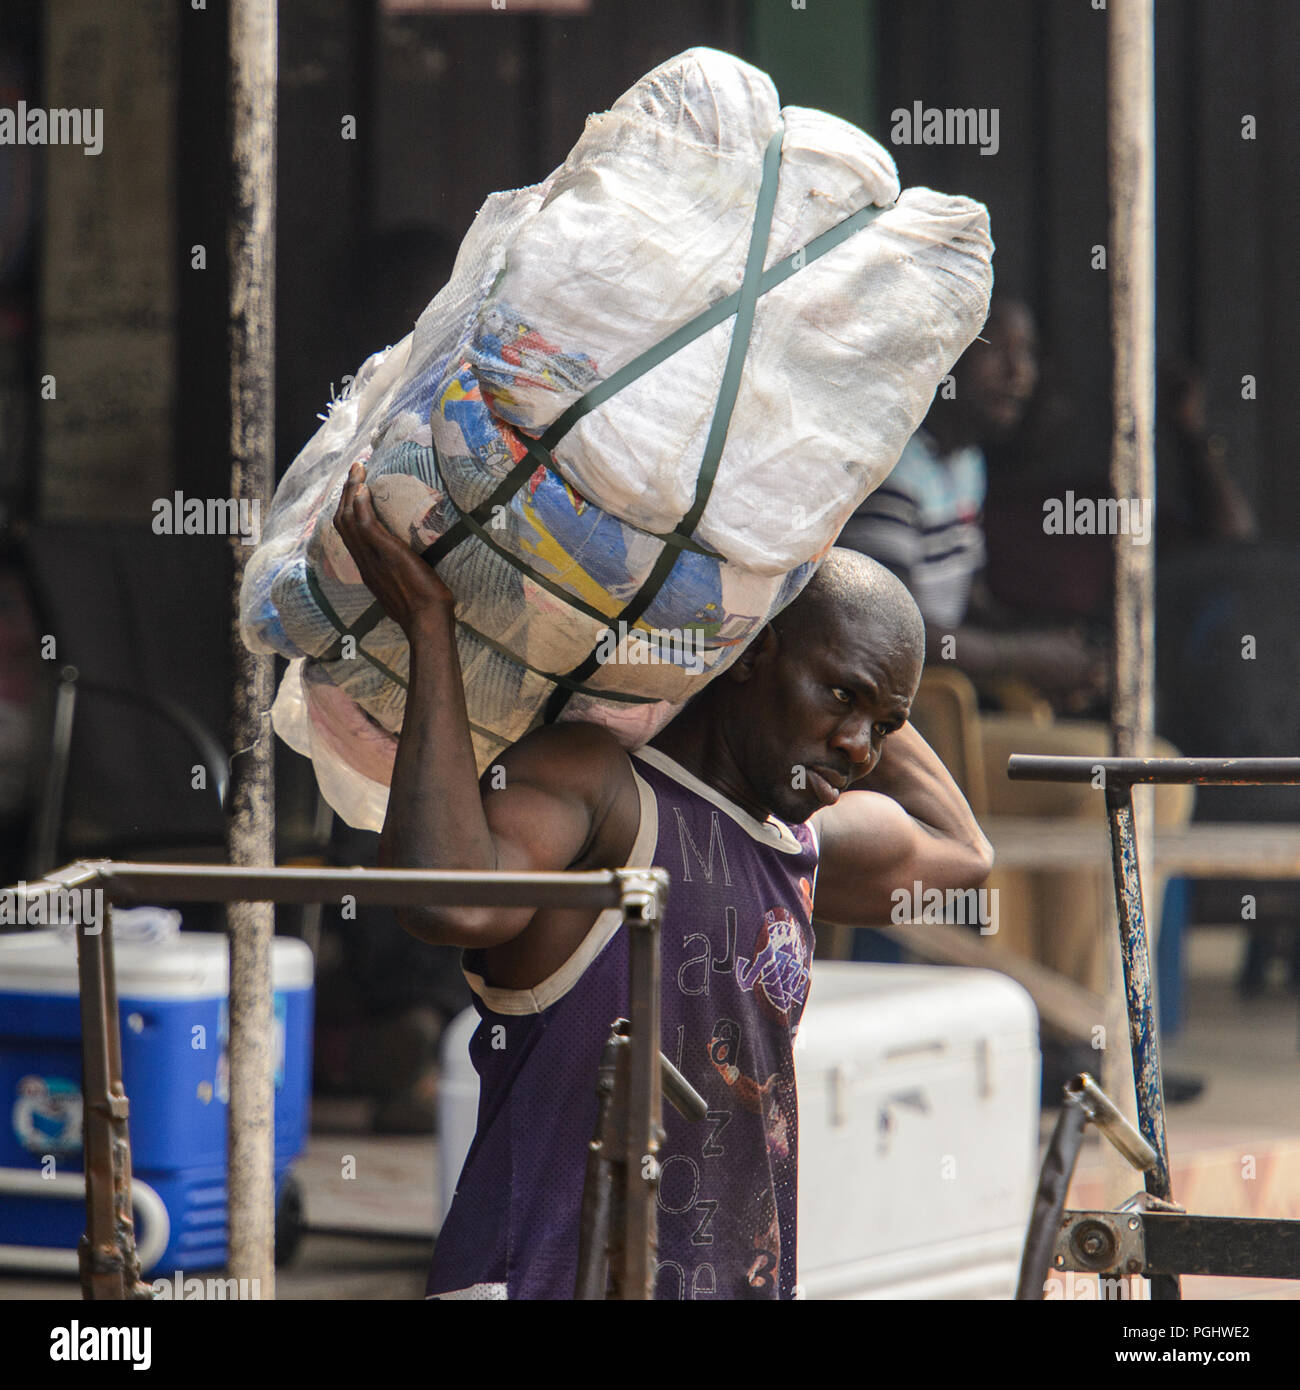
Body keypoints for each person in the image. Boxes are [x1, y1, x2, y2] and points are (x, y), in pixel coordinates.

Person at [333, 461, 993, 1300]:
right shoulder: (606, 793)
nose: (861, 747)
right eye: (839, 695)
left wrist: (807, 600)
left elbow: (962, 850)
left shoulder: (796, 845)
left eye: (884, 726)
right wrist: (431, 624)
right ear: (751, 654)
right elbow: (445, 897)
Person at [838, 294, 1106, 714]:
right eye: (997, 350)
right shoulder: (895, 471)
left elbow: (970, 598)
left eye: (1026, 353)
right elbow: (893, 631)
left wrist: (1055, 655)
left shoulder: (966, 462)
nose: (1018, 373)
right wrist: (1024, 655)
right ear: (945, 357)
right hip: (900, 708)